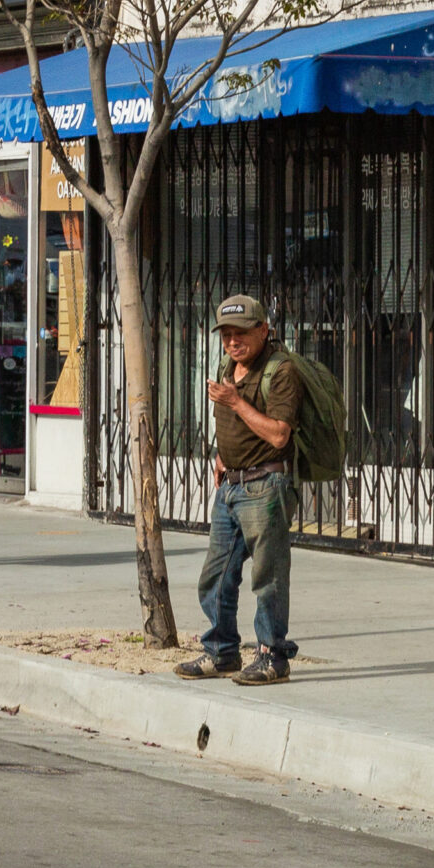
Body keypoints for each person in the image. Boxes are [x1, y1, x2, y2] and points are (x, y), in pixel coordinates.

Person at [176, 294, 301, 686]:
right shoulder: (227, 365)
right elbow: (230, 424)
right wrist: (222, 455)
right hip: (230, 486)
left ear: (263, 330)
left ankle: (272, 656)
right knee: (216, 575)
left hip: (266, 486)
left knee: (268, 578)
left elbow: (279, 435)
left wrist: (234, 401)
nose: (233, 341)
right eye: (226, 334)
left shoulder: (280, 370)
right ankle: (221, 652)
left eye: (241, 333)